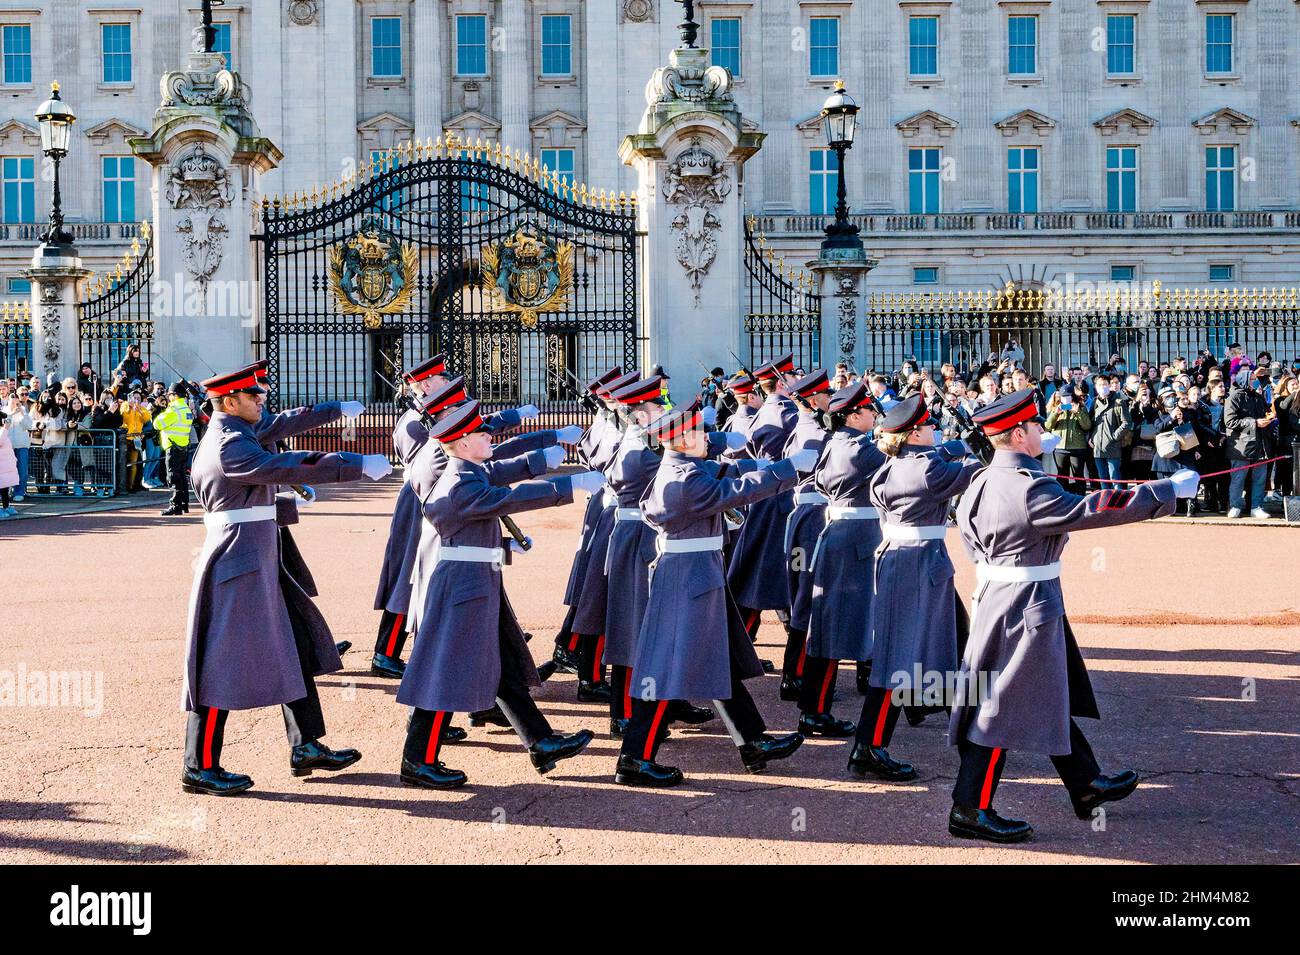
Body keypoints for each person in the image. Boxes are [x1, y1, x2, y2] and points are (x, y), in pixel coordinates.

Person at [946, 389, 1198, 842]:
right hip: (1024, 604)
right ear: (1019, 433)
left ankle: (1085, 783)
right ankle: (969, 807)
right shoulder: (1028, 485)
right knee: (999, 703)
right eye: (1037, 425)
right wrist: (1164, 492)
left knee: (1044, 686)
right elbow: (1091, 509)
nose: (1044, 431)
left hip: (1001, 596)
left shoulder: (981, 481)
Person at [181, 365, 393, 796]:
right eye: (253, 396)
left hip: (259, 560)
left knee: (294, 647)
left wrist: (333, 411)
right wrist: (352, 464)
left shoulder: (240, 431)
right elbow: (283, 462)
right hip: (238, 564)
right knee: (220, 662)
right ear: (229, 401)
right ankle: (199, 765)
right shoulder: (229, 444)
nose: (262, 401)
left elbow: (283, 426)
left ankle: (306, 745)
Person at [396, 400, 597, 789]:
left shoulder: (469, 471)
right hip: (463, 586)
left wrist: (503, 546)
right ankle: (417, 760)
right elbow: (508, 499)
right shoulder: (461, 481)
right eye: (481, 433)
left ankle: (541, 741)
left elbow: (493, 490)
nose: (489, 436)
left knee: (501, 661)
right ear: (464, 443)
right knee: (446, 668)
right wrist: (567, 486)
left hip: (477, 579)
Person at [616, 401, 814, 787]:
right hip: (687, 579)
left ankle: (752, 740)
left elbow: (728, 470)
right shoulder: (683, 479)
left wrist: (768, 466)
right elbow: (736, 490)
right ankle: (635, 758)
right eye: (701, 432)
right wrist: (788, 470)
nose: (707, 438)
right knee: (667, 666)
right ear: (685, 438)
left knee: (716, 658)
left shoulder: (682, 468)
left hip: (698, 576)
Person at [370, 354, 542, 678]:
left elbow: (478, 431)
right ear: (425, 385)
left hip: (440, 499)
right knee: (412, 579)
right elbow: (469, 447)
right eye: (441, 379)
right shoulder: (417, 423)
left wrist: (516, 419)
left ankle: (494, 650)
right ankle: (388, 651)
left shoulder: (425, 418)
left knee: (419, 579)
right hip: (430, 502)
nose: (446, 382)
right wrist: (534, 446)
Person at [848, 394, 983, 782]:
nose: (934, 431)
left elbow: (939, 460)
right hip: (923, 565)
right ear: (916, 433)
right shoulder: (927, 470)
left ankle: (968, 740)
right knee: (920, 657)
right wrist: (982, 442)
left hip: (896, 560)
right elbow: (976, 470)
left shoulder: (892, 467)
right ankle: (871, 746)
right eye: (929, 427)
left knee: (939, 650)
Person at [602, 376, 742, 737]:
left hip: (645, 535)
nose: (665, 413)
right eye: (657, 409)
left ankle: (670, 702)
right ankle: (627, 713)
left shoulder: (639, 440)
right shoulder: (643, 449)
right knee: (638, 629)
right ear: (640, 415)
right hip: (642, 538)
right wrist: (721, 441)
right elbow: (688, 460)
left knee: (656, 629)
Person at [801, 381, 885, 736]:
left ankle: (816, 707)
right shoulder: (859, 450)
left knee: (830, 625)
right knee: (836, 629)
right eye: (869, 411)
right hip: (854, 542)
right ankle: (815, 711)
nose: (874, 416)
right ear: (854, 414)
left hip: (840, 536)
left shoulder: (837, 442)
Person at [552, 367, 633, 676]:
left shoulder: (611, 423)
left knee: (594, 590)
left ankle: (572, 648)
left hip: (607, 504)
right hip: (614, 507)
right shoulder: (615, 426)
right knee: (600, 593)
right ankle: (589, 670)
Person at [727, 352, 798, 667]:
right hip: (780, 502)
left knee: (757, 580)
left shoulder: (761, 413)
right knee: (792, 581)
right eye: (793, 375)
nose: (797, 379)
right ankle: (797, 668)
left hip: (763, 500)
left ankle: (738, 652)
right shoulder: (786, 413)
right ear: (782, 381)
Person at [779, 369, 833, 702]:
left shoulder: (804, 427)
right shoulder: (818, 433)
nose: (831, 400)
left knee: (804, 595)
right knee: (810, 598)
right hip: (814, 518)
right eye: (826, 396)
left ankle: (793, 673)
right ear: (814, 400)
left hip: (803, 516)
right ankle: (795, 675)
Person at [1223, 367, 1273, 518]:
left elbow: (1266, 410)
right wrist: (1255, 423)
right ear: (1245, 381)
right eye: (1252, 379)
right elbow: (1230, 421)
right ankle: (1235, 505)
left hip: (1260, 442)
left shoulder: (1257, 397)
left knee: (1260, 478)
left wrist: (1268, 417)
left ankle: (1256, 506)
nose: (1256, 381)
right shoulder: (1234, 397)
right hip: (1242, 442)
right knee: (1238, 477)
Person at [153, 381, 195, 515]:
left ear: (175, 395)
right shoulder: (186, 409)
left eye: (170, 395)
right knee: (182, 477)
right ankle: (184, 505)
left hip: (172, 446)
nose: (168, 397)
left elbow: (157, 424)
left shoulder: (174, 409)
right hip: (183, 446)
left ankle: (175, 506)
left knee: (173, 477)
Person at [1044, 386, 1092, 493]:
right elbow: (1047, 426)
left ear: (1072, 396)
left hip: (1077, 447)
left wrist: (1078, 412)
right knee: (1062, 475)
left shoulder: (1081, 408)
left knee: (1078, 475)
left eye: (1068, 396)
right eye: (1063, 397)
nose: (1066, 399)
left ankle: (1080, 497)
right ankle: (1063, 498)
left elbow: (1087, 426)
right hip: (1060, 447)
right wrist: (1055, 414)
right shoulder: (1056, 408)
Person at [1090, 375, 1133, 489]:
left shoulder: (1118, 402)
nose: (1102, 387)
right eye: (1099, 385)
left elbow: (1127, 422)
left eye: (1104, 384)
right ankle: (1106, 504)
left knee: (1115, 480)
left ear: (1109, 385)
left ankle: (1118, 504)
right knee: (1103, 480)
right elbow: (1091, 423)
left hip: (1113, 447)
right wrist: (1091, 437)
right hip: (1098, 447)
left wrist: (1114, 437)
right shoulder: (1094, 402)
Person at [3, 393, 31, 502]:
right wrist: (12, 413)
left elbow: (28, 426)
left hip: (21, 445)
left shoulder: (23, 411)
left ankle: (19, 491)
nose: (14, 401)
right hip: (7, 446)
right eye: (12, 399)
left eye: (16, 399)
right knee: (7, 470)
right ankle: (7, 491)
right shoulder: (4, 411)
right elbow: (5, 424)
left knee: (22, 470)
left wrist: (22, 414)